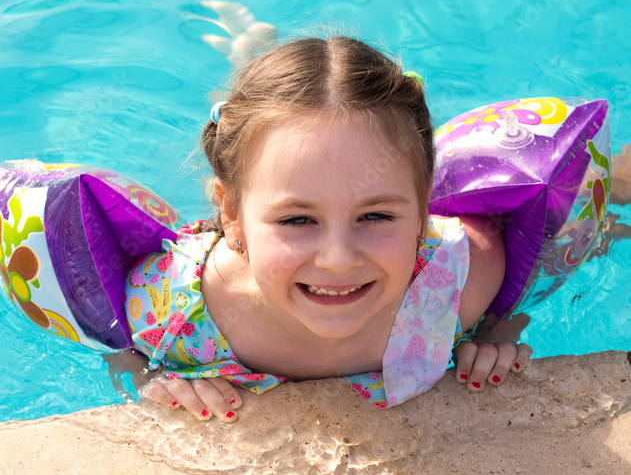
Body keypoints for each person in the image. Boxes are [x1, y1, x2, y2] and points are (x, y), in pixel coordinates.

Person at [125, 35, 533, 423]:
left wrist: (489, 337)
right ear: (230, 213)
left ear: (423, 209)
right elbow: (124, 358)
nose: (338, 260)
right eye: (297, 220)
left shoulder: (460, 279)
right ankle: (249, 44)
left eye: (375, 216)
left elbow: (505, 298)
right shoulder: (170, 314)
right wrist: (152, 381)